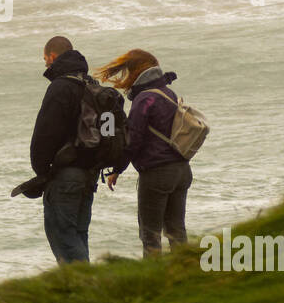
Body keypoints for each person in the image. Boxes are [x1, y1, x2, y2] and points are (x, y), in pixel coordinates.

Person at [95, 49, 192, 257]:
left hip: (157, 174)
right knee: (177, 230)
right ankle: (187, 272)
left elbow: (133, 140)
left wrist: (116, 169)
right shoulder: (168, 93)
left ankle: (153, 278)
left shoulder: (144, 99)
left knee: (150, 234)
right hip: (182, 170)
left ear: (135, 72)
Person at [28, 35, 99, 264]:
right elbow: (108, 129)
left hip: (65, 176)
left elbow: (45, 134)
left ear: (52, 56)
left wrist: (42, 171)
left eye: (45, 59)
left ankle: (86, 288)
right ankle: (86, 287)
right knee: (79, 234)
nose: (45, 64)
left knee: (63, 237)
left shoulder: (60, 88)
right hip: (90, 175)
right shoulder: (93, 86)